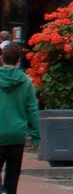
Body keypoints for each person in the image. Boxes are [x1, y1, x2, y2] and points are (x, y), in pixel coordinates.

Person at [0, 43, 39, 194]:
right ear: (18, 60)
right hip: (17, 134)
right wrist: (35, 135)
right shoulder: (26, 81)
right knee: (13, 174)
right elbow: (32, 109)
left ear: (2, 58)